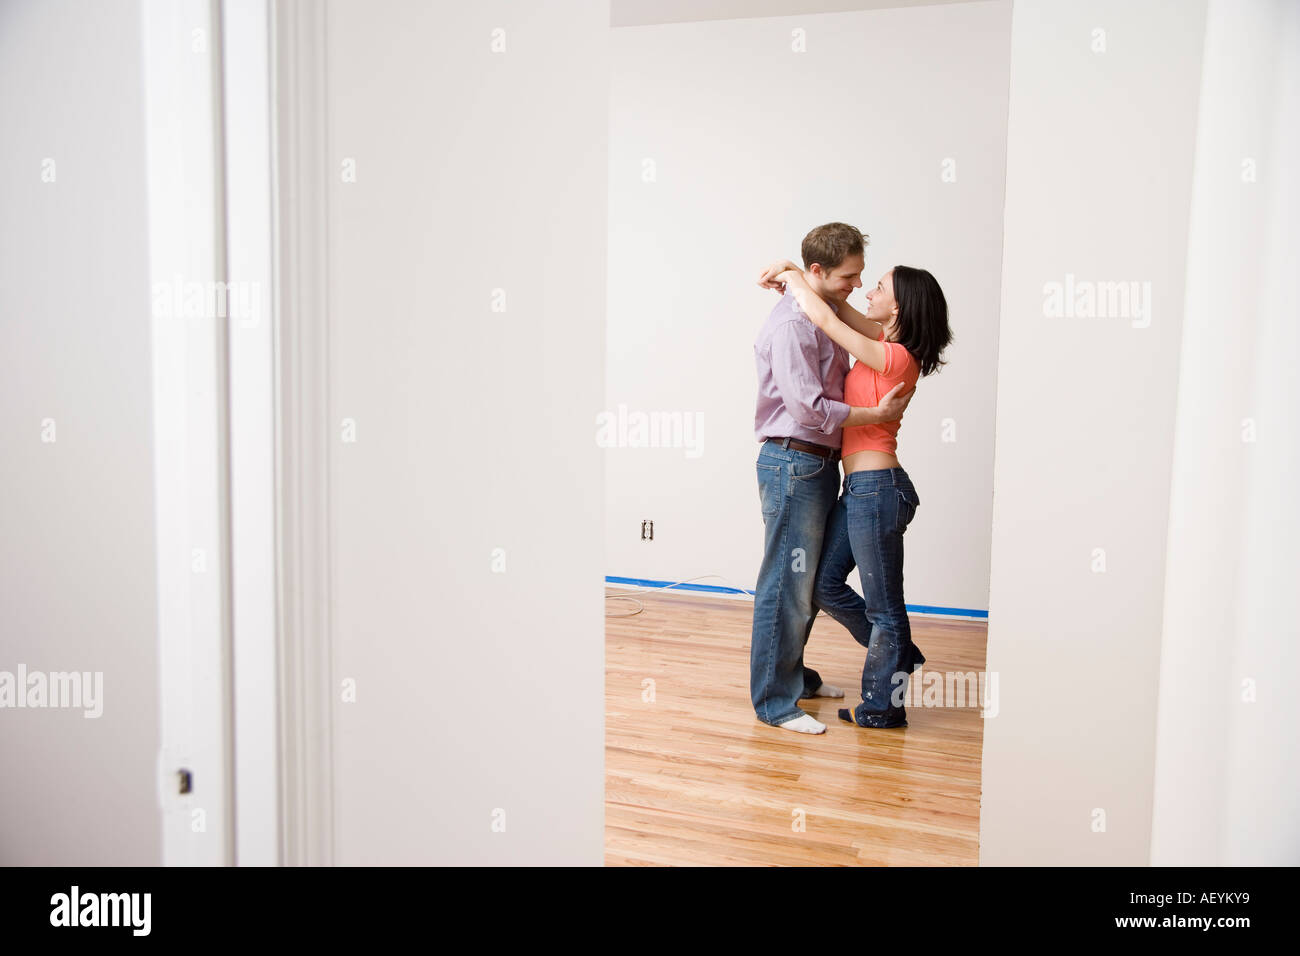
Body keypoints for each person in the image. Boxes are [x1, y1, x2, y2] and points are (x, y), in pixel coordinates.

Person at [758, 254, 952, 728]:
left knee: (885, 607)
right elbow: (835, 307)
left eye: (880, 286)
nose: (868, 291)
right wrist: (797, 272)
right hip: (860, 487)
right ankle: (897, 657)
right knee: (823, 584)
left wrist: (790, 276)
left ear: (900, 307)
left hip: (877, 489)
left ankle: (881, 706)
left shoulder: (896, 355)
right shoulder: (883, 338)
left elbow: (824, 317)